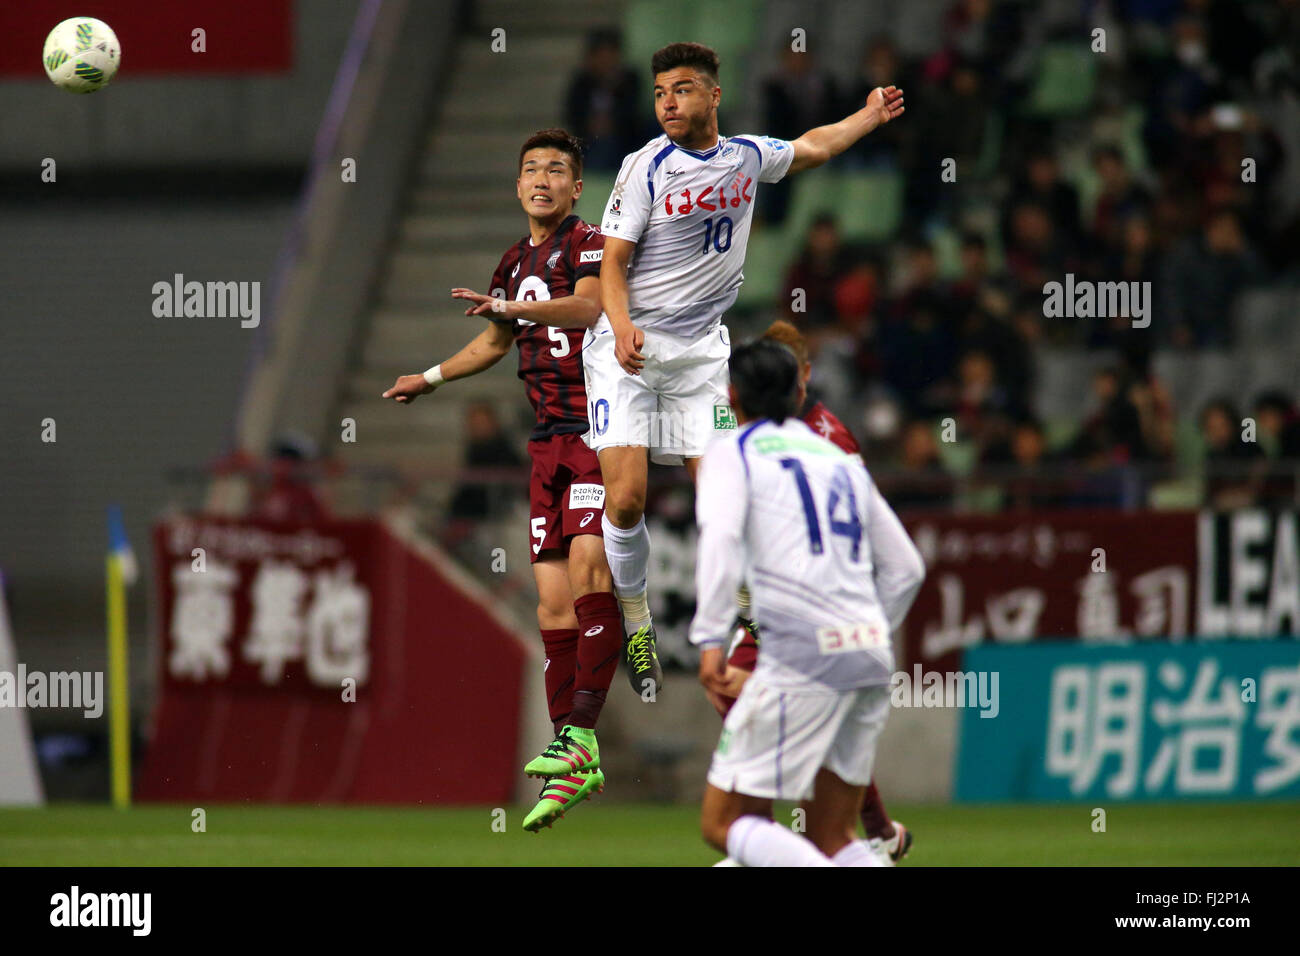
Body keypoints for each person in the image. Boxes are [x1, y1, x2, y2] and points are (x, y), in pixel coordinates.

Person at [589, 41, 905, 697]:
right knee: (625, 500)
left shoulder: (745, 157)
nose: (668, 104)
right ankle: (638, 619)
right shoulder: (644, 167)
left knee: (723, 498)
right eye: (658, 94)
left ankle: (747, 625)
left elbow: (814, 146)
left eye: (680, 90)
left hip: (701, 353)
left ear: (713, 95)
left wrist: (869, 116)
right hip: (630, 346)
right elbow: (612, 264)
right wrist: (620, 328)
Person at [382, 129, 623, 832]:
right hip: (546, 444)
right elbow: (493, 340)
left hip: (599, 432)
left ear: (577, 187)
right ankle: (571, 755)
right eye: (531, 170)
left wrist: (513, 311)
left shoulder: (589, 243)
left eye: (556, 169)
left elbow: (587, 308)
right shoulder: (513, 261)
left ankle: (583, 727)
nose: (542, 179)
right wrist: (428, 378)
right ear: (517, 187)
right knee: (551, 604)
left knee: (586, 568)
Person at [691, 340, 926, 866]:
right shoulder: (837, 458)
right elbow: (907, 568)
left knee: (724, 823)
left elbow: (721, 541)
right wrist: (864, 630)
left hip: (800, 657)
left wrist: (710, 640)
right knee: (835, 836)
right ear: (800, 392)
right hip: (868, 652)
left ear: (732, 398)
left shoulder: (733, 450)